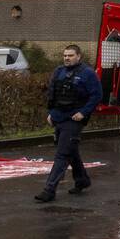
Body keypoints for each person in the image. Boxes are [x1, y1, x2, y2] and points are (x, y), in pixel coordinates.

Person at [35, 44, 103, 203]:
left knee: (63, 154)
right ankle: (82, 180)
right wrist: (51, 114)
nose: (67, 58)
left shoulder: (88, 73)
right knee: (70, 151)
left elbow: (97, 95)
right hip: (59, 117)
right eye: (65, 55)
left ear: (78, 56)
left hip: (74, 119)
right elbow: (52, 94)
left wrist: (83, 112)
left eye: (70, 55)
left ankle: (49, 190)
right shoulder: (59, 71)